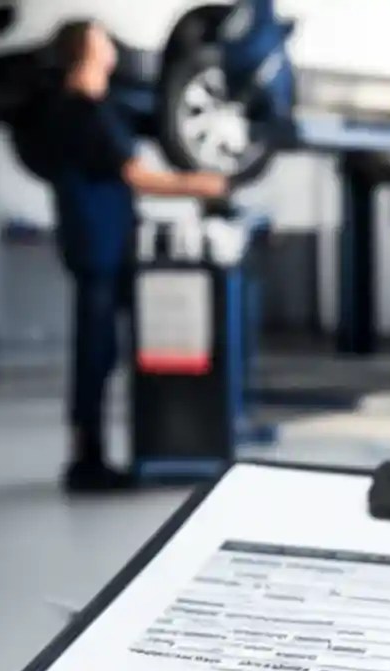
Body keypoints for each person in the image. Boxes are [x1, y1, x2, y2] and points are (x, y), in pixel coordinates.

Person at [49, 20, 229, 492]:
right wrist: (203, 185)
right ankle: (87, 461)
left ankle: (121, 449)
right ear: (87, 50)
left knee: (108, 351)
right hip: (98, 249)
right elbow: (137, 175)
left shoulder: (92, 108)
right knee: (97, 353)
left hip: (101, 245)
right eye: (102, 38)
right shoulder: (84, 111)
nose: (112, 46)